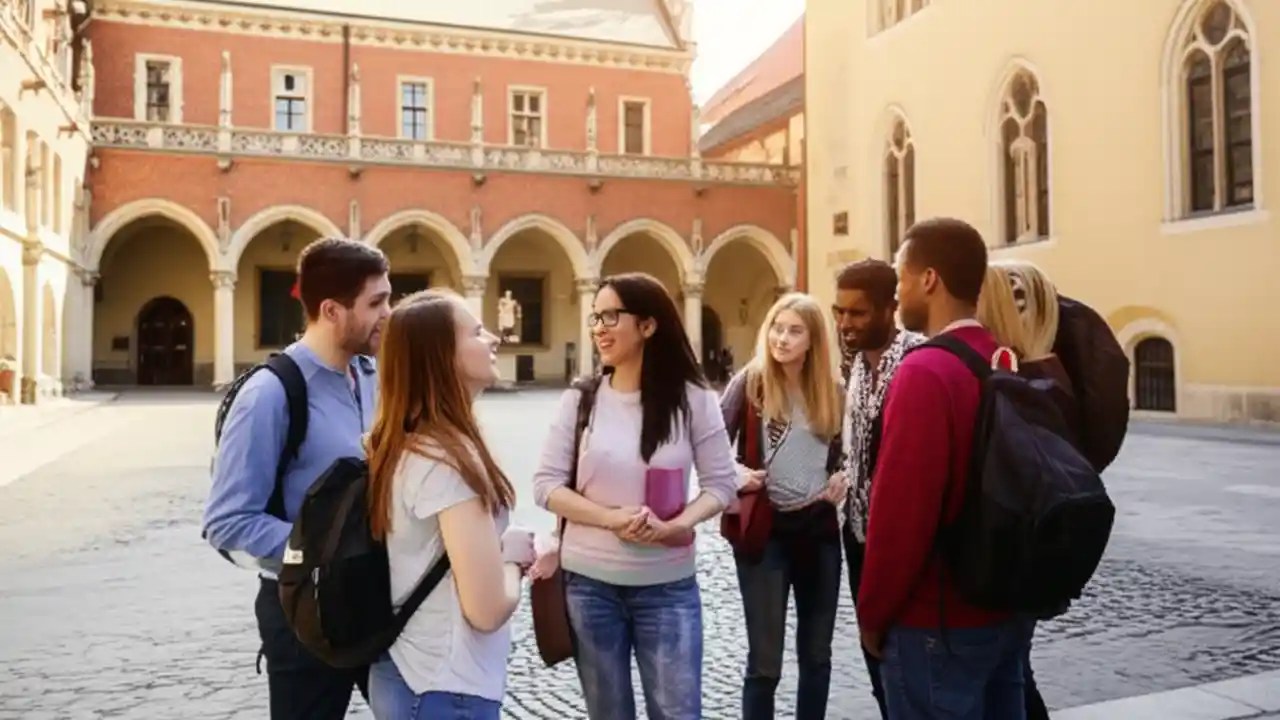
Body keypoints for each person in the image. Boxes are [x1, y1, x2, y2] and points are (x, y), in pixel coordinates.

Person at [531, 272, 739, 720]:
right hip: (589, 586)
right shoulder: (580, 400)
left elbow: (721, 483)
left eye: (611, 316)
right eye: (595, 317)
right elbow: (546, 486)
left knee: (678, 712)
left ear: (648, 325)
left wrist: (678, 524)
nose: (599, 328)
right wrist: (610, 519)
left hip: (667, 586)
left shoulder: (694, 400)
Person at [203, 237, 392, 719]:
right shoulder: (269, 395)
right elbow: (227, 522)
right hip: (305, 614)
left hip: (377, 600)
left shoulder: (374, 378)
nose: (389, 313)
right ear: (331, 310)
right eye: (377, 302)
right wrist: (327, 550)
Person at [858, 217, 1028, 720]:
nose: (897, 288)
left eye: (900, 274)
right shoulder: (1002, 358)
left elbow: (902, 516)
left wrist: (873, 612)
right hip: (1003, 608)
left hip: (936, 620)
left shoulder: (924, 371)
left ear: (929, 279)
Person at [364, 289, 535, 720]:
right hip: (446, 687)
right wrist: (514, 557)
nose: (493, 338)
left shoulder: (404, 443)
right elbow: (486, 608)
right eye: (477, 332)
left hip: (407, 672)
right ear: (441, 356)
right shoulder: (446, 461)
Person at [719, 292, 845, 720]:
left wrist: (843, 475)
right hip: (765, 533)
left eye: (795, 331)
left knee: (817, 656)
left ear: (813, 341)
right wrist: (736, 474)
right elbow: (709, 444)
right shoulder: (751, 383)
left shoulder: (833, 391)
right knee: (765, 663)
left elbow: (850, 455)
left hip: (819, 531)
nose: (783, 338)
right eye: (777, 327)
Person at [831, 259, 924, 719]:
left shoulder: (917, 360)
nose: (845, 324)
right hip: (858, 533)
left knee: (908, 660)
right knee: (878, 662)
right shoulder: (855, 368)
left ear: (890, 309)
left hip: (904, 538)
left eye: (857, 313)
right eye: (839, 312)